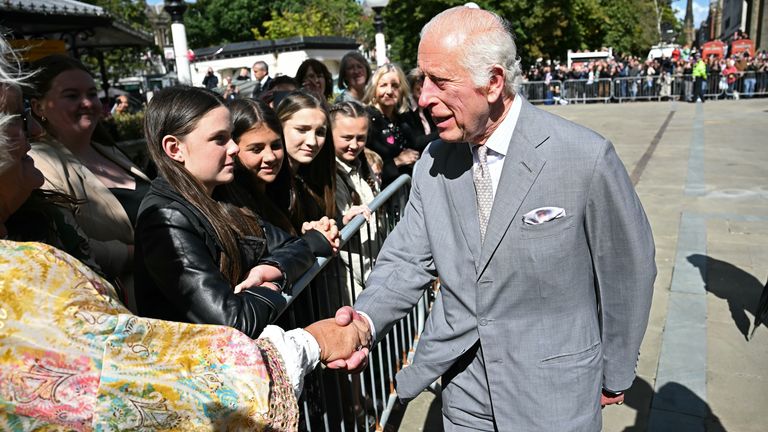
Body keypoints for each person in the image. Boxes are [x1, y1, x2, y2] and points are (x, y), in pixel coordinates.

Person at [335, 6, 656, 431]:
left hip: (554, 393)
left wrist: (616, 369)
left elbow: (627, 269)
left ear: (493, 82)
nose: (425, 97)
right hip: (466, 393)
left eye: (440, 81)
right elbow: (406, 259)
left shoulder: (583, 156)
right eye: (422, 80)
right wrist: (363, 321)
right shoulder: (434, 160)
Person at [133, 86, 319, 339]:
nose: (233, 148)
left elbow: (296, 245)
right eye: (219, 139)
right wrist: (271, 287)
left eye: (231, 136)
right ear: (175, 149)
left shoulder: (223, 199)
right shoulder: (166, 219)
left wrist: (269, 269)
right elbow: (233, 322)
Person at [26, 54, 151, 310]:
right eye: (72, 96)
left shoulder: (108, 150)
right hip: (128, 307)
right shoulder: (39, 162)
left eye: (92, 94)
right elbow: (63, 244)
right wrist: (138, 252)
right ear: (39, 107)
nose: (87, 103)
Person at [221, 97, 339, 257]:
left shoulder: (287, 191)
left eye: (276, 145)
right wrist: (312, 241)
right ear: (233, 149)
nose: (270, 157)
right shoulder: (231, 207)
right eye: (256, 149)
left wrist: (313, 230)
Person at [330, 100, 380, 298]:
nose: (354, 145)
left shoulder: (362, 164)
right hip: (352, 280)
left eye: (361, 138)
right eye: (346, 137)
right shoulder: (331, 175)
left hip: (372, 269)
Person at [363, 63, 420, 187]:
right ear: (374, 89)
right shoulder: (366, 119)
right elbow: (366, 170)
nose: (389, 91)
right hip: (383, 195)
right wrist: (398, 161)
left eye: (395, 86)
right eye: (383, 85)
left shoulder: (404, 117)